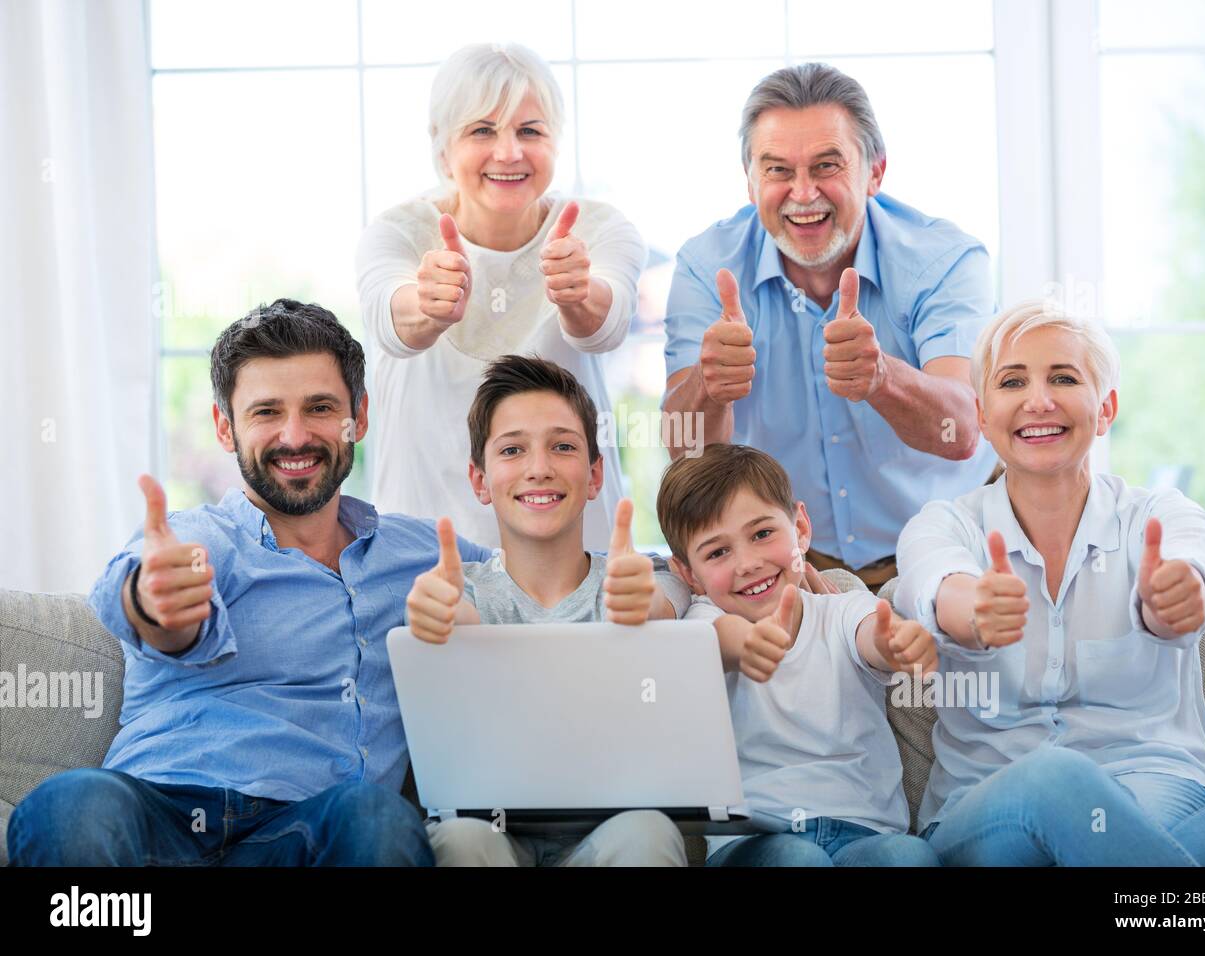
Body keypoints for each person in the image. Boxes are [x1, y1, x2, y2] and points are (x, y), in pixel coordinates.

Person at [6, 300, 494, 866]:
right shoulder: (200, 538)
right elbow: (147, 593)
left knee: (378, 816)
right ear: (225, 426)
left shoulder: (429, 554)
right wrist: (155, 603)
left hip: (308, 835)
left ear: (357, 418)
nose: (295, 435)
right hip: (160, 822)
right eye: (266, 412)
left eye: (319, 407)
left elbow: (542, 588)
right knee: (70, 804)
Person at [894, 300, 1205, 866]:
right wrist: (976, 609)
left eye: (1064, 377)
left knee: (1189, 846)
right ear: (981, 415)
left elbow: (1190, 577)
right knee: (1054, 781)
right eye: (1013, 382)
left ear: (1105, 409)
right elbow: (938, 586)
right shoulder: (943, 525)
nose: (1038, 399)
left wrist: (1170, 601)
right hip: (991, 806)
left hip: (1158, 787)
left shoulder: (1164, 517)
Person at [662, 62, 998, 587]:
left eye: (826, 166)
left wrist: (882, 379)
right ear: (750, 183)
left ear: (875, 172)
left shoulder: (944, 260)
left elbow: (964, 431)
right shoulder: (707, 268)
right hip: (789, 566)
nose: (802, 193)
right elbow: (683, 448)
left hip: (945, 550)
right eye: (777, 170)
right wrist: (709, 387)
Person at [356, 42, 645, 552]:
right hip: (425, 557)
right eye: (482, 130)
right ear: (443, 148)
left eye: (529, 131)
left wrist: (577, 295)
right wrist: (427, 307)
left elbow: (607, 324)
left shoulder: (598, 229)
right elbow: (391, 324)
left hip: (572, 560)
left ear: (555, 142)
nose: (509, 152)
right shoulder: (397, 233)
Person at [407, 355, 689, 866]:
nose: (539, 468)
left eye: (563, 446)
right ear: (479, 480)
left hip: (613, 835)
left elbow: (662, 601)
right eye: (513, 450)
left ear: (595, 474)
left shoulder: (638, 575)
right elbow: (456, 617)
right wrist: (443, 615)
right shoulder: (460, 591)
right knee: (460, 840)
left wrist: (641, 601)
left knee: (649, 831)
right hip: (489, 834)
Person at [655, 443, 941, 867]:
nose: (748, 563)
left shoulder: (842, 607)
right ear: (688, 574)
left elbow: (869, 636)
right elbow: (714, 643)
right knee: (797, 859)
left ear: (801, 529)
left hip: (867, 832)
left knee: (907, 856)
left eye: (762, 534)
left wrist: (893, 643)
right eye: (718, 552)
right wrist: (747, 645)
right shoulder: (703, 621)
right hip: (756, 840)